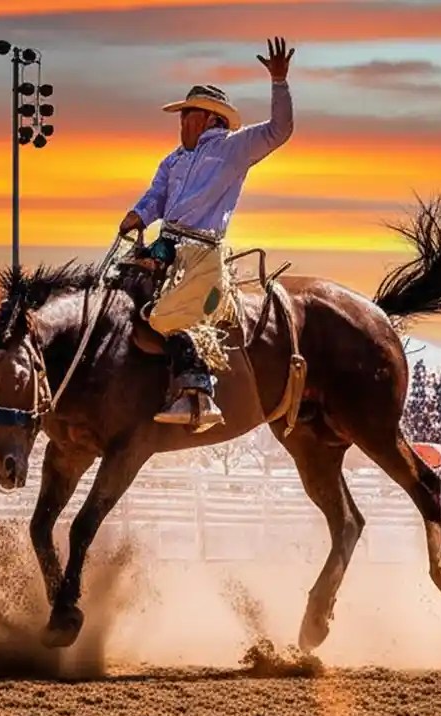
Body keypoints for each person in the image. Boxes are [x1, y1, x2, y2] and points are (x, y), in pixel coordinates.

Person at [119, 36, 295, 432]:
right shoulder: (173, 160)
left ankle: (200, 394)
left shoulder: (235, 147)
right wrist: (138, 214)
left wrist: (279, 82)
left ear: (209, 118)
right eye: (182, 116)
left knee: (168, 315)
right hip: (167, 247)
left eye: (187, 115)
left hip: (202, 252)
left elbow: (279, 130)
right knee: (119, 295)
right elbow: (156, 196)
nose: (181, 122)